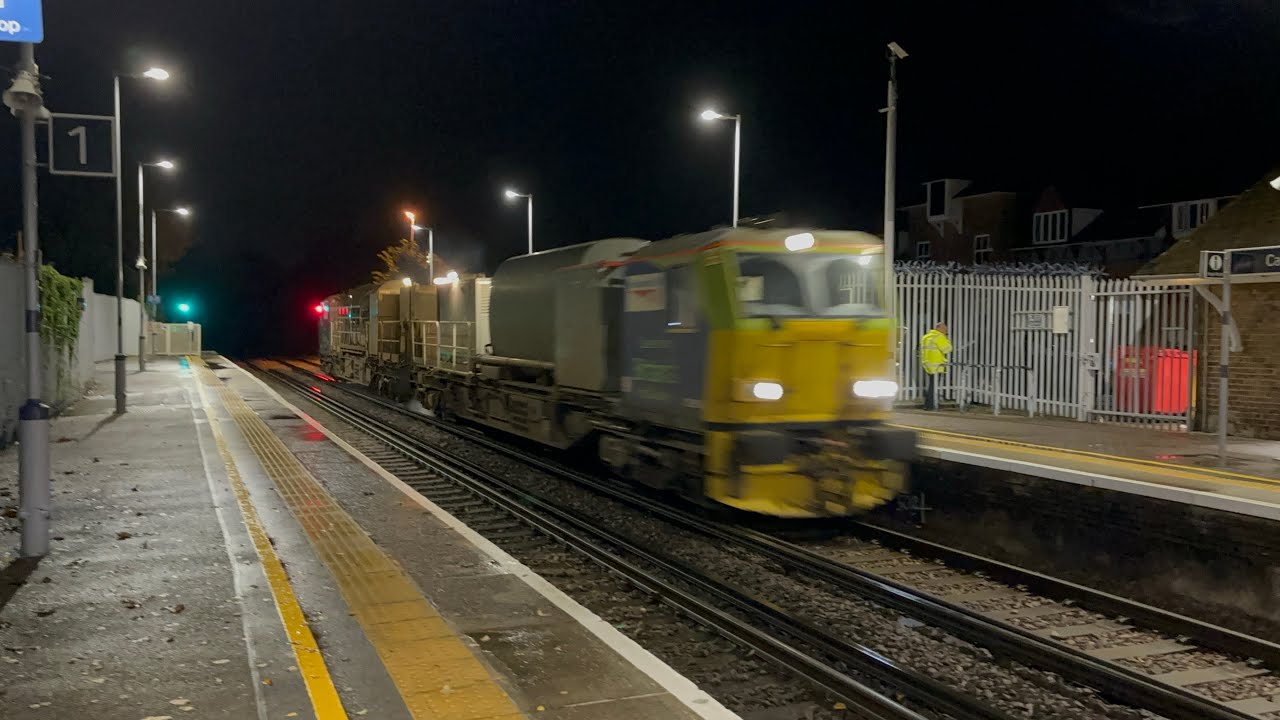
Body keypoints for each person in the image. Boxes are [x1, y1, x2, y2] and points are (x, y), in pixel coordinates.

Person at [919, 322, 952, 411]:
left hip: (927, 364)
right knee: (933, 387)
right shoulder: (939, 337)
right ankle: (930, 406)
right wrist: (946, 339)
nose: (946, 331)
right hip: (937, 366)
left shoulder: (926, 337)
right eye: (945, 329)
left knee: (931, 386)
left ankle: (927, 404)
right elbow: (947, 349)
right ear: (939, 328)